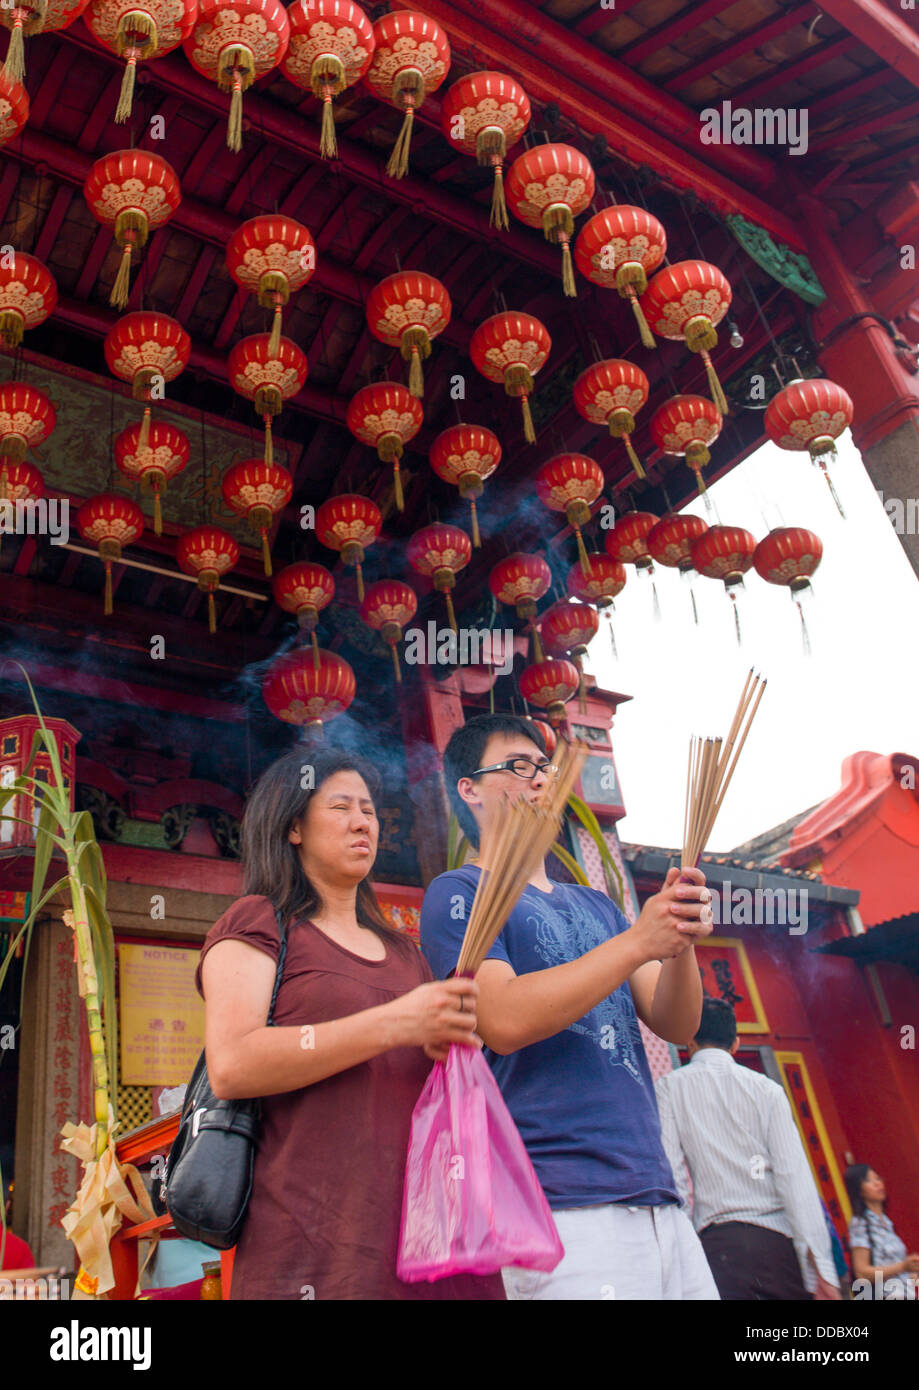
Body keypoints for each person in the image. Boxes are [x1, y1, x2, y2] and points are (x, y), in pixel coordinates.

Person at [421, 713, 719, 1300]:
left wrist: (678, 940)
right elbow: (503, 1021)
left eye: (544, 768)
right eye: (517, 766)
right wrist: (639, 940)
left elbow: (676, 1022)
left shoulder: (598, 905)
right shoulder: (457, 895)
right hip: (557, 1202)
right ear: (469, 789)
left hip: (654, 1192)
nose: (538, 780)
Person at [196, 746, 504, 1301]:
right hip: (318, 1245)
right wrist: (395, 1021)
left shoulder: (405, 952)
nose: (363, 821)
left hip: (432, 1238)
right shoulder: (260, 921)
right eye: (340, 806)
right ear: (293, 827)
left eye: (368, 809)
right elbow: (233, 1064)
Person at [654, 997, 841, 1300]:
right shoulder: (767, 1090)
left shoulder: (669, 1087)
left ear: (690, 1040)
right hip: (777, 1245)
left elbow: (672, 1177)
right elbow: (794, 1178)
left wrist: (682, 1256)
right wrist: (820, 1266)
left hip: (719, 1248)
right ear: (736, 1044)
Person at [845, 1163, 919, 1299]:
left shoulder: (886, 1222)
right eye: (868, 1181)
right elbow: (861, 1272)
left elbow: (897, 1269)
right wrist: (903, 1266)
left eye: (877, 1179)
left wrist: (912, 1268)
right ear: (858, 1189)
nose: (877, 1184)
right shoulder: (861, 1223)